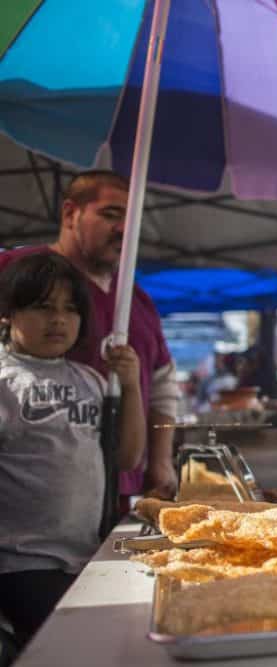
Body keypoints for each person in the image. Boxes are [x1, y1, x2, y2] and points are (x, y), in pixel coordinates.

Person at [0, 170, 181, 508]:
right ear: (71, 213)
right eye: (110, 214)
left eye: (132, 219)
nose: (124, 229)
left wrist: (159, 459)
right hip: (24, 504)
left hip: (118, 492)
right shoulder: (12, 270)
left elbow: (162, 385)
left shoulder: (139, 301)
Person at [0, 253, 144, 651]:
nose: (58, 320)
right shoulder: (5, 382)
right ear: (8, 314)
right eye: (43, 307)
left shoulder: (93, 381)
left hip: (88, 555)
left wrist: (130, 386)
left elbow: (127, 458)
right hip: (21, 563)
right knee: (71, 650)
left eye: (70, 309)